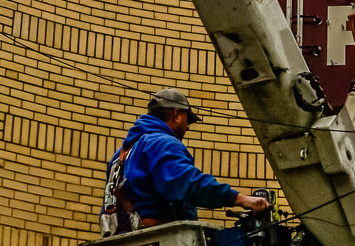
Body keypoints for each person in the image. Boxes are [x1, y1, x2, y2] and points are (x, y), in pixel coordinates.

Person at [101, 88, 270, 236]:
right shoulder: (162, 143)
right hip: (158, 243)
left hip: (122, 243)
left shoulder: (120, 155)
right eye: (187, 120)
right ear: (176, 114)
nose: (188, 127)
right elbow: (186, 182)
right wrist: (239, 199)